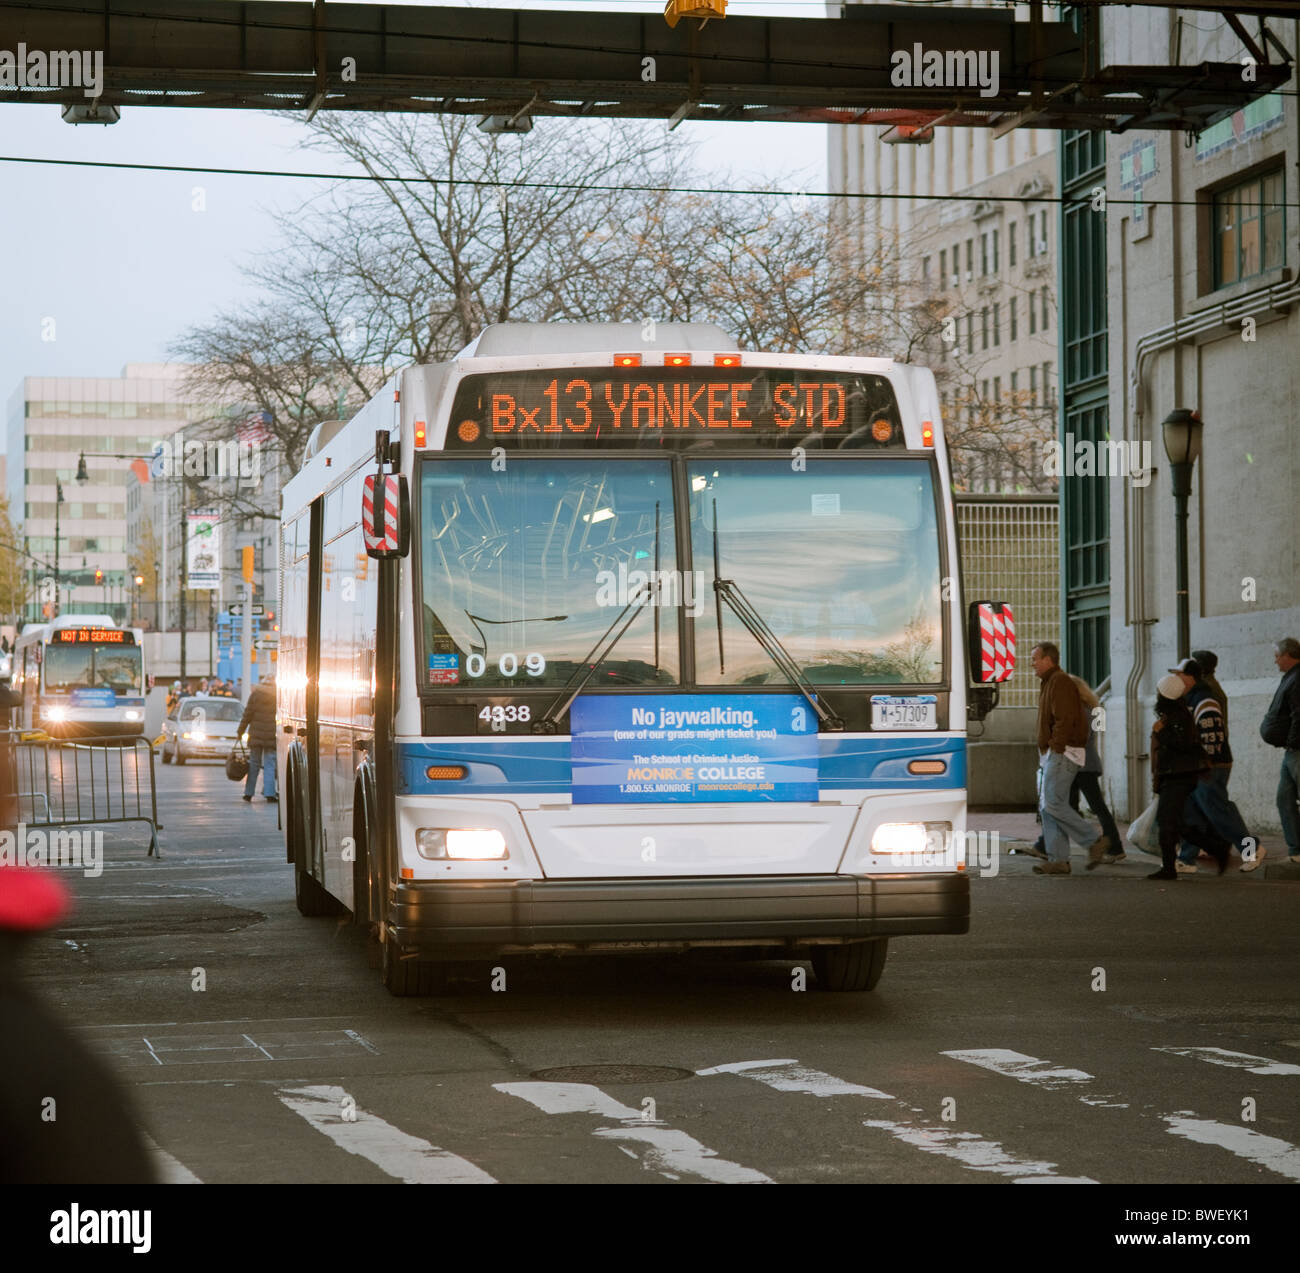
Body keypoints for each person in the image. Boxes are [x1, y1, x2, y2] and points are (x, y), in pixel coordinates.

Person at [1170, 656, 1258, 874]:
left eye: (1179, 674)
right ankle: (1186, 859)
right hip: (1200, 766)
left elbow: (1212, 739)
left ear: (1189, 677)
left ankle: (1251, 850)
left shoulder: (1204, 700)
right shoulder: (1190, 698)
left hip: (1211, 766)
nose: (1176, 678)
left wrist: (1201, 765)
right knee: (1192, 811)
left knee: (1219, 811)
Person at [1030, 642, 1111, 875]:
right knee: (1048, 806)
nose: (1032, 664)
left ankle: (1092, 841)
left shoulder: (1060, 682)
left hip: (1062, 752)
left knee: (1053, 803)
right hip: (1057, 752)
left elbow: (1064, 719)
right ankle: (1058, 859)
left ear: (1048, 660)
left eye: (1035, 658)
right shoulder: (1051, 682)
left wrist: (1056, 747)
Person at [1149, 674, 1230, 881]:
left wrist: (1161, 732)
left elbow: (1182, 744)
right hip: (1177, 775)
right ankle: (1217, 848)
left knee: (1167, 822)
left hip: (1177, 776)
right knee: (1177, 823)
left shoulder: (1176, 717)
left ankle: (1169, 868)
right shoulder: (1177, 713)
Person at [1259, 636, 1300, 864]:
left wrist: (1294, 742)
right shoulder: (1291, 677)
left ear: (1288, 655)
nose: (1275, 661)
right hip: (1291, 751)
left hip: (1296, 750)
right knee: (1284, 799)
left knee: (1286, 798)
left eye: (1277, 656)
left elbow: (1298, 715)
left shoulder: (1297, 678)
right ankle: (1296, 850)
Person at [237, 674, 278, 803]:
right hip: (271, 735)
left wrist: (240, 730)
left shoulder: (256, 695)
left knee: (254, 763)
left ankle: (248, 793)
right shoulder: (278, 696)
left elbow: (247, 713)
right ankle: (270, 793)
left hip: (256, 735)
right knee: (270, 763)